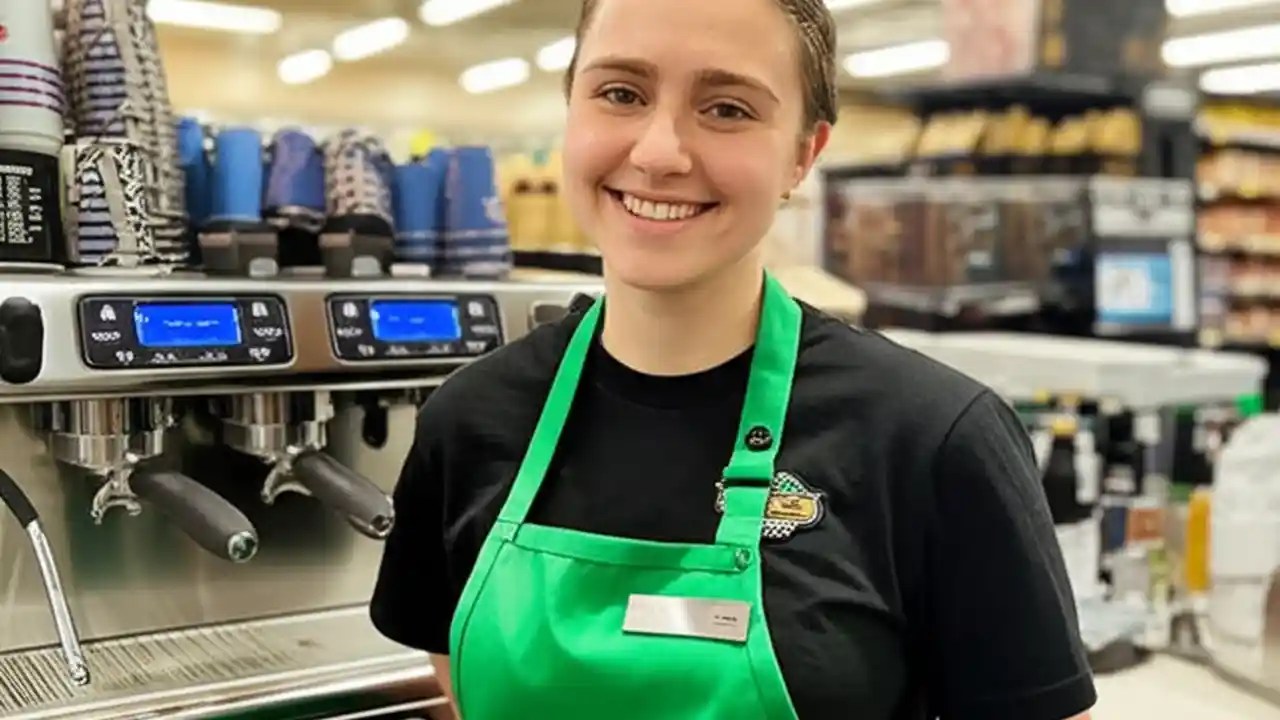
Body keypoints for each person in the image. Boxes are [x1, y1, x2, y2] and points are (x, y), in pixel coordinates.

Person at [371, 0, 1098, 717]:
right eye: (620, 93)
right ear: (572, 112)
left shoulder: (933, 441)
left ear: (802, 155)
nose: (658, 153)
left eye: (727, 109)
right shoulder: (468, 421)